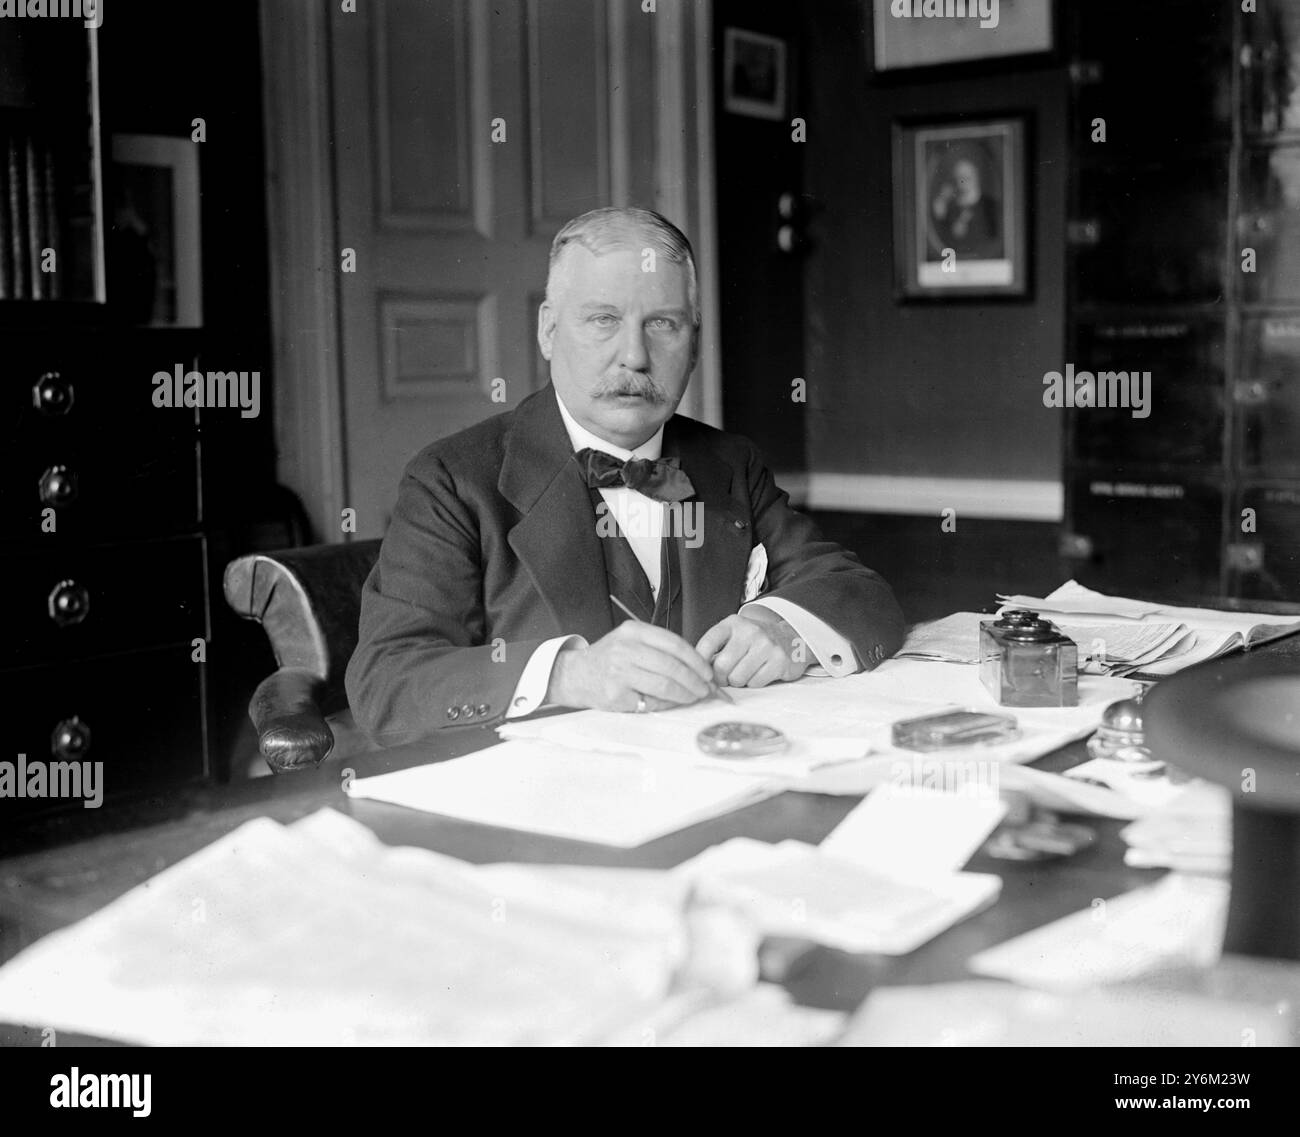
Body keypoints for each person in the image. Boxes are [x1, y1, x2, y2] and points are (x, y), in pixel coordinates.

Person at [346, 206, 904, 745]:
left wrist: (785, 629)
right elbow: (385, 683)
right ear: (547, 329)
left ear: (694, 343)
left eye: (663, 323)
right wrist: (570, 674)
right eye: (603, 320)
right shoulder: (453, 479)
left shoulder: (730, 464)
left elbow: (860, 593)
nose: (634, 356)